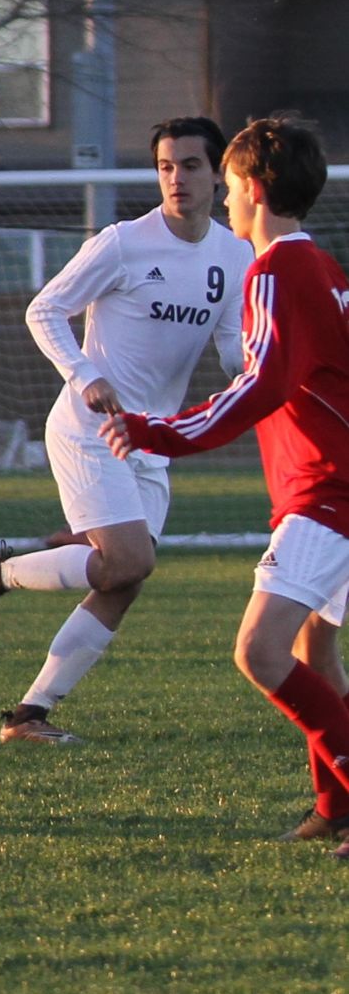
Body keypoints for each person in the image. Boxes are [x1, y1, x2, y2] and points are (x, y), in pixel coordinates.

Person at [0, 117, 249, 743]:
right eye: (166, 167)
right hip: (90, 428)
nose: (176, 179)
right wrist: (84, 374)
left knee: (124, 579)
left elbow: (230, 347)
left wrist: (262, 367)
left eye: (190, 166)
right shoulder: (122, 243)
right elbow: (45, 309)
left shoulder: (235, 253)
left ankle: (30, 715)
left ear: (218, 175)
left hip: (150, 439)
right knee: (128, 560)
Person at [103, 117, 349, 846]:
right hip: (329, 486)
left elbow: (257, 387)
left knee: (260, 651)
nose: (223, 200)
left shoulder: (274, 270)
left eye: (230, 184)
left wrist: (153, 429)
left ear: (252, 188)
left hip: (326, 493)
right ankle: (334, 807)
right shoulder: (326, 269)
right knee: (315, 651)